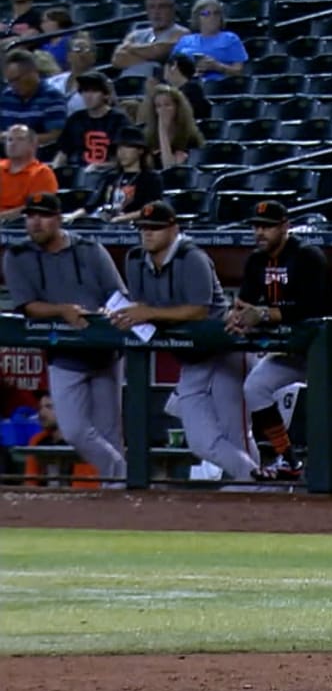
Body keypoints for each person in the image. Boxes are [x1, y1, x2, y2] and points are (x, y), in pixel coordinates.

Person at [110, 200, 262, 484]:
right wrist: (126, 314)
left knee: (235, 433)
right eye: (143, 228)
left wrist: (148, 313)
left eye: (155, 228)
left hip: (225, 350)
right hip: (192, 360)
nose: (147, 233)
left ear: (173, 228)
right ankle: (256, 480)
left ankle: (255, 488)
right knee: (200, 442)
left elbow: (199, 310)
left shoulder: (192, 257)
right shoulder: (135, 259)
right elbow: (140, 305)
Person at [225, 200, 332, 482]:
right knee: (255, 387)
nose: (260, 232)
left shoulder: (307, 256)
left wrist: (261, 314)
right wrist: (237, 316)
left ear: (285, 227)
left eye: (267, 227)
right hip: (293, 349)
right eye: (256, 227)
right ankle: (287, 457)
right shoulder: (256, 260)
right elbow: (244, 302)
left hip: (331, 348)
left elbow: (310, 308)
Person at [2, 192, 127, 483]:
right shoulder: (17, 255)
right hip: (64, 355)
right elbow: (28, 306)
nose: (35, 222)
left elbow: (117, 294)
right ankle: (122, 474)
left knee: (110, 431)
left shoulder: (89, 249)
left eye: (42, 216)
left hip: (104, 351)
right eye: (30, 216)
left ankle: (119, 498)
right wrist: (63, 310)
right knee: (74, 430)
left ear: (58, 219)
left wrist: (102, 315)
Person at [65, 125, 162, 224]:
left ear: (140, 151)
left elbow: (151, 208)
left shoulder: (151, 179)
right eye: (119, 148)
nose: (122, 152)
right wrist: (71, 217)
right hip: (108, 227)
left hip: (137, 229)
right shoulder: (110, 177)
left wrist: (121, 219)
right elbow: (91, 206)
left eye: (127, 147)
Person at [23, 390, 99, 488]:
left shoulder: (84, 442)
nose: (42, 413)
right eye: (40, 408)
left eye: (49, 407)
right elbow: (30, 483)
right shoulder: (37, 440)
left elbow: (84, 488)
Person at [110, 0, 190, 80]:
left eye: (162, 7)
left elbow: (160, 51)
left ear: (172, 9)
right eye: (152, 7)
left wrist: (130, 48)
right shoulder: (135, 34)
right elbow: (117, 59)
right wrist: (154, 59)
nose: (156, 12)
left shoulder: (181, 33)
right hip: (125, 83)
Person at [55, 72, 128, 170]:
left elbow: (126, 159)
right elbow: (63, 152)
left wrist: (99, 166)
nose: (88, 96)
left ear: (105, 95)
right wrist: (55, 169)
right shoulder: (75, 119)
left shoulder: (119, 120)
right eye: (85, 91)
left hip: (109, 175)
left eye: (94, 91)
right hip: (78, 175)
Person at [170, 0, 248, 82]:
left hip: (220, 86)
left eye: (216, 13)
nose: (212, 17)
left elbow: (239, 72)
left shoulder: (230, 38)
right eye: (206, 13)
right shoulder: (185, 40)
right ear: (197, 17)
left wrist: (217, 67)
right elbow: (170, 68)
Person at [0, 47, 66, 147]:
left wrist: (20, 139)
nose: (13, 85)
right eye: (10, 81)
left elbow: (55, 136)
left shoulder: (52, 97)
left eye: (17, 79)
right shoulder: (6, 96)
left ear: (33, 73)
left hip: (40, 156)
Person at [137, 84, 202, 169]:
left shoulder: (191, 139)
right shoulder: (148, 138)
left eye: (167, 105)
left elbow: (168, 168)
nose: (163, 110)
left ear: (177, 108)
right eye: (158, 106)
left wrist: (163, 130)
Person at [0, 124, 56, 220]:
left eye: (20, 139)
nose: (12, 144)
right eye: (9, 140)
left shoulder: (42, 173)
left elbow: (35, 207)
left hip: (20, 228)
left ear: (33, 145)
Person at [48, 31, 98, 118]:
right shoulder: (53, 82)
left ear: (94, 57)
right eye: (77, 49)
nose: (82, 54)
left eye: (87, 49)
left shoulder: (102, 84)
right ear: (68, 56)